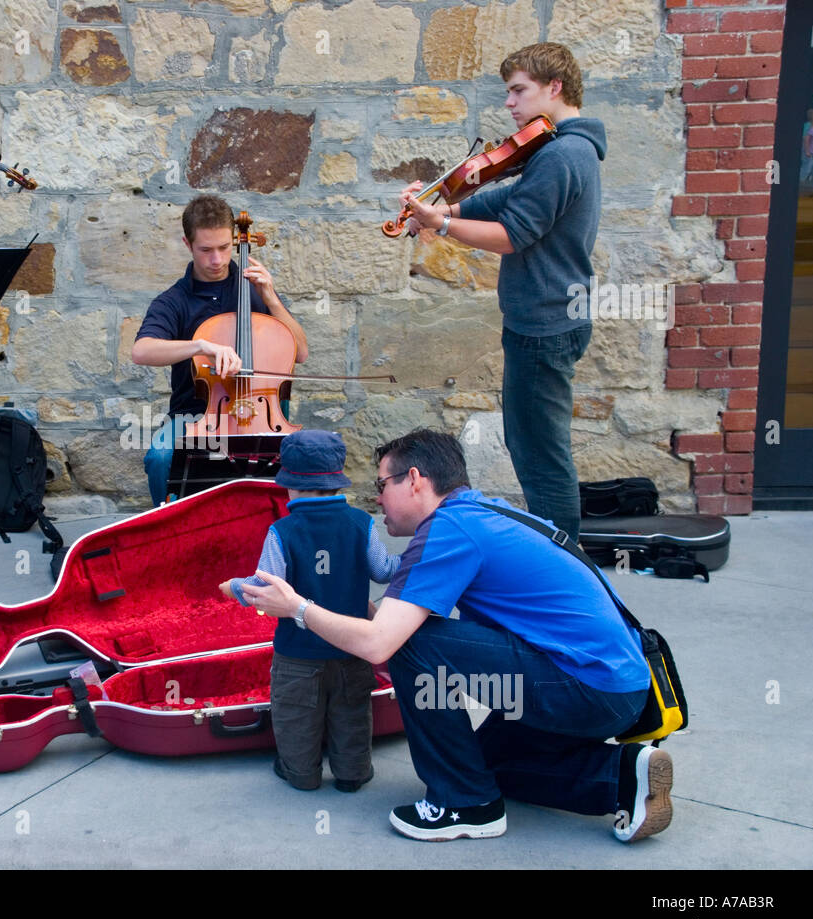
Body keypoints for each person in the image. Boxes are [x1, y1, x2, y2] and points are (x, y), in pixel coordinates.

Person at [242, 429, 670, 843]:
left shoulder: (448, 530)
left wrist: (296, 607)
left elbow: (379, 643)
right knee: (480, 759)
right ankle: (622, 777)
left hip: (584, 690)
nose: (376, 499)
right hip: (619, 691)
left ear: (413, 480)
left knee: (411, 642)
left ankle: (463, 803)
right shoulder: (485, 513)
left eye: (381, 484)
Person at [398, 42, 606, 543]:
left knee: (539, 450)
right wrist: (439, 204)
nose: (510, 104)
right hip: (544, 319)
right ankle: (560, 559)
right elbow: (504, 198)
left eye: (519, 91)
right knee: (531, 442)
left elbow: (513, 233)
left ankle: (565, 562)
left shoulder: (562, 155)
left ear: (555, 88)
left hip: (545, 323)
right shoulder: (555, 151)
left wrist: (442, 226)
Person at [219, 430, 399, 792]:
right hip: (352, 648)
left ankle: (301, 774)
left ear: (291, 487)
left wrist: (232, 587)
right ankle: (352, 774)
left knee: (296, 716)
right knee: (352, 714)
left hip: (298, 655)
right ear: (335, 481)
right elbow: (384, 570)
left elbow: (265, 588)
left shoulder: (282, 530)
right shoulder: (361, 523)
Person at [132, 194, 309, 506]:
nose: (217, 260)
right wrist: (200, 346)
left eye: (225, 248)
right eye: (206, 250)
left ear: (234, 242)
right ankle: (169, 530)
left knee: (304, 458)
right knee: (159, 457)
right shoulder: (174, 301)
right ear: (188, 245)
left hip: (264, 412)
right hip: (196, 414)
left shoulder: (253, 290)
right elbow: (142, 351)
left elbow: (301, 353)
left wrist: (270, 297)